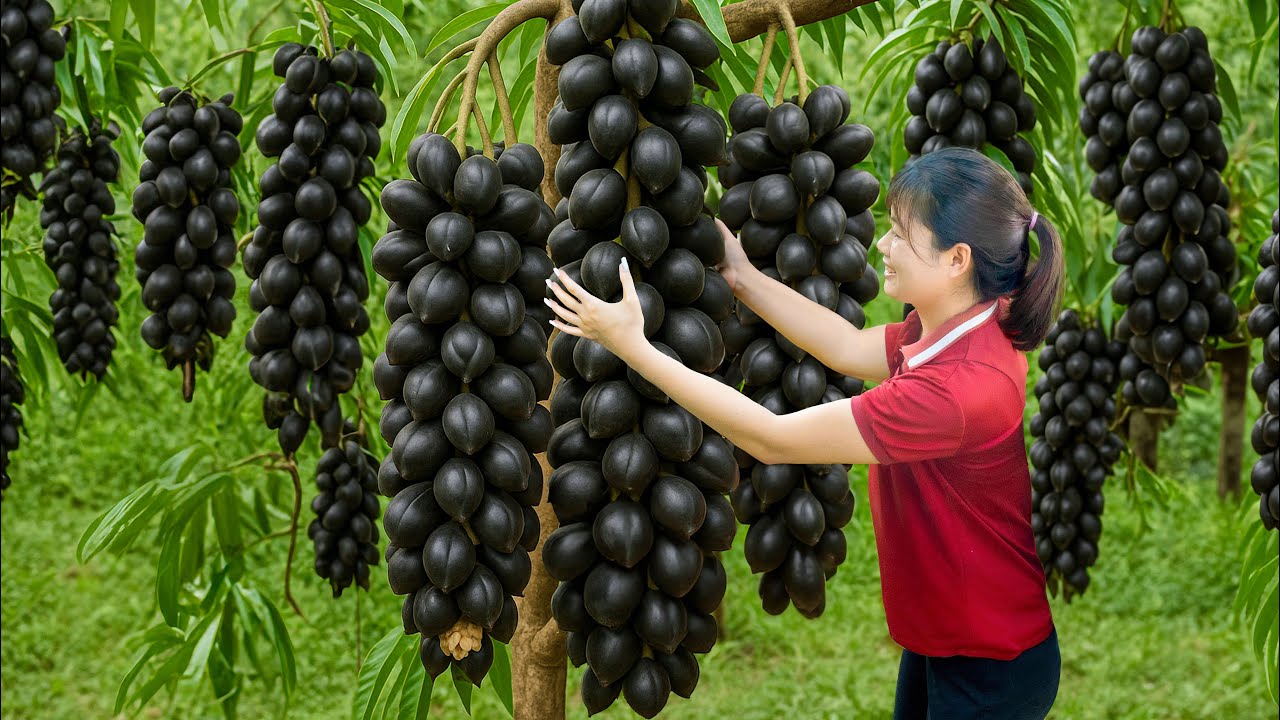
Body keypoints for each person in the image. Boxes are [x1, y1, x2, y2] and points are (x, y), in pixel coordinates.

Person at [544, 146, 1064, 719]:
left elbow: (771, 438)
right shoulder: (964, 320)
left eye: (900, 235)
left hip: (991, 662)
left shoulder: (959, 393)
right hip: (951, 635)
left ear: (957, 258)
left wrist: (633, 347)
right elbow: (846, 346)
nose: (882, 247)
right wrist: (742, 277)